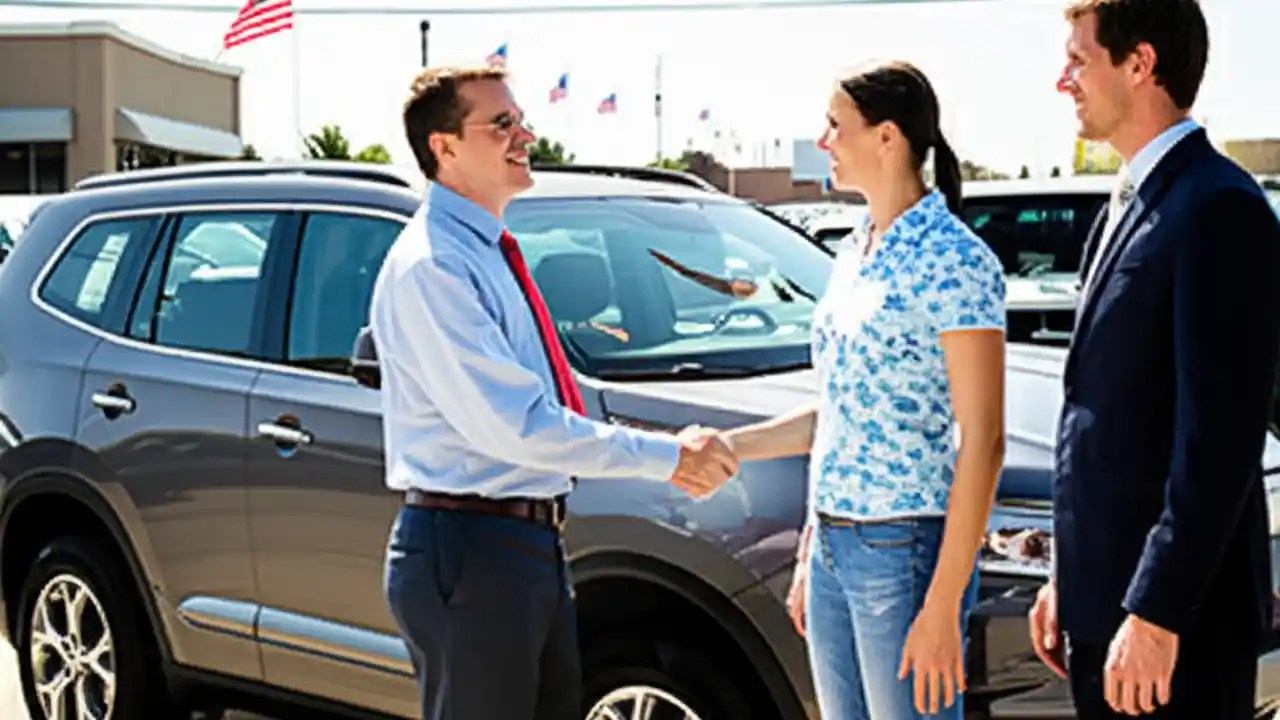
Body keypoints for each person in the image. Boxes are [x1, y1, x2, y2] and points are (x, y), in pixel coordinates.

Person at [369, 66, 739, 720]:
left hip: (522, 548)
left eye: (521, 120)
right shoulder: (436, 264)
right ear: (444, 148)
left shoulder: (485, 251)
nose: (526, 136)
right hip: (471, 549)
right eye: (502, 124)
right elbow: (519, 426)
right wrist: (667, 458)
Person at [715, 60, 1008, 719]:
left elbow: (983, 440)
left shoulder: (955, 259)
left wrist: (940, 605)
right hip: (834, 553)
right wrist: (809, 544)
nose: (823, 141)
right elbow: (844, 412)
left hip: (902, 553)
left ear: (887, 137)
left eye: (834, 125)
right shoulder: (853, 250)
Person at [1028, 1, 1280, 717]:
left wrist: (1157, 611)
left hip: (1176, 634)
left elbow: (1219, 442)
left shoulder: (1218, 207)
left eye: (1079, 59)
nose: (1062, 80)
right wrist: (1068, 579)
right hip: (1104, 609)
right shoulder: (1126, 203)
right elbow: (1103, 415)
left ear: (1140, 64)